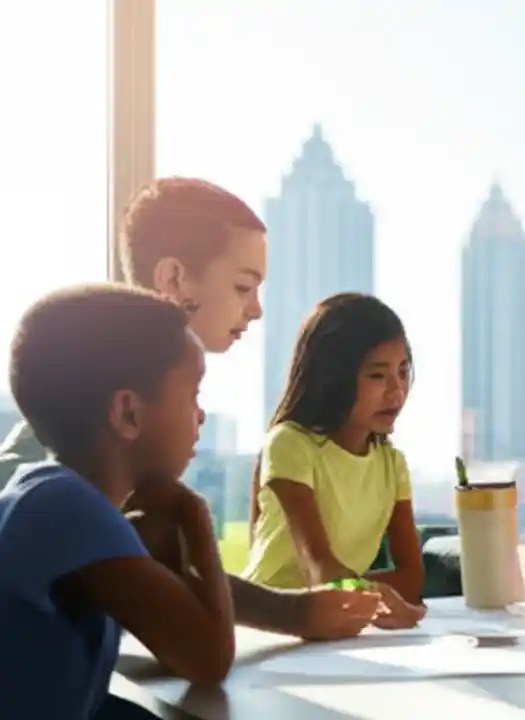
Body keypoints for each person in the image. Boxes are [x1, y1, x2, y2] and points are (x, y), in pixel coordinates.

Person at [0, 178, 380, 641]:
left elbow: (146, 570)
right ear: (174, 278)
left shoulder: (136, 407)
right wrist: (291, 614)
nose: (256, 310)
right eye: (243, 286)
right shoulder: (74, 432)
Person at [0, 285, 234, 718]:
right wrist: (193, 516)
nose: (200, 415)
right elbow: (207, 658)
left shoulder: (45, 498)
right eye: (193, 394)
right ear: (128, 413)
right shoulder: (66, 508)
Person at [243, 293, 425, 627]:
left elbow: (411, 579)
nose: (396, 391)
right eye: (377, 375)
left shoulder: (392, 464)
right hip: (268, 627)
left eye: (402, 372)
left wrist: (362, 595)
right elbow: (319, 568)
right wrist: (374, 596)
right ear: (334, 376)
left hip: (336, 626)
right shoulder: (290, 445)